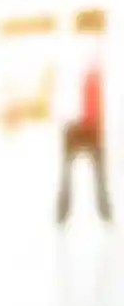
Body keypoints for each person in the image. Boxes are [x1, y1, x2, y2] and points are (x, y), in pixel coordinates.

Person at [56, 44, 111, 224]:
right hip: (87, 129)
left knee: (82, 172)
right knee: (95, 173)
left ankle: (63, 213)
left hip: (86, 129)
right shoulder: (91, 77)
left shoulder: (91, 77)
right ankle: (103, 212)